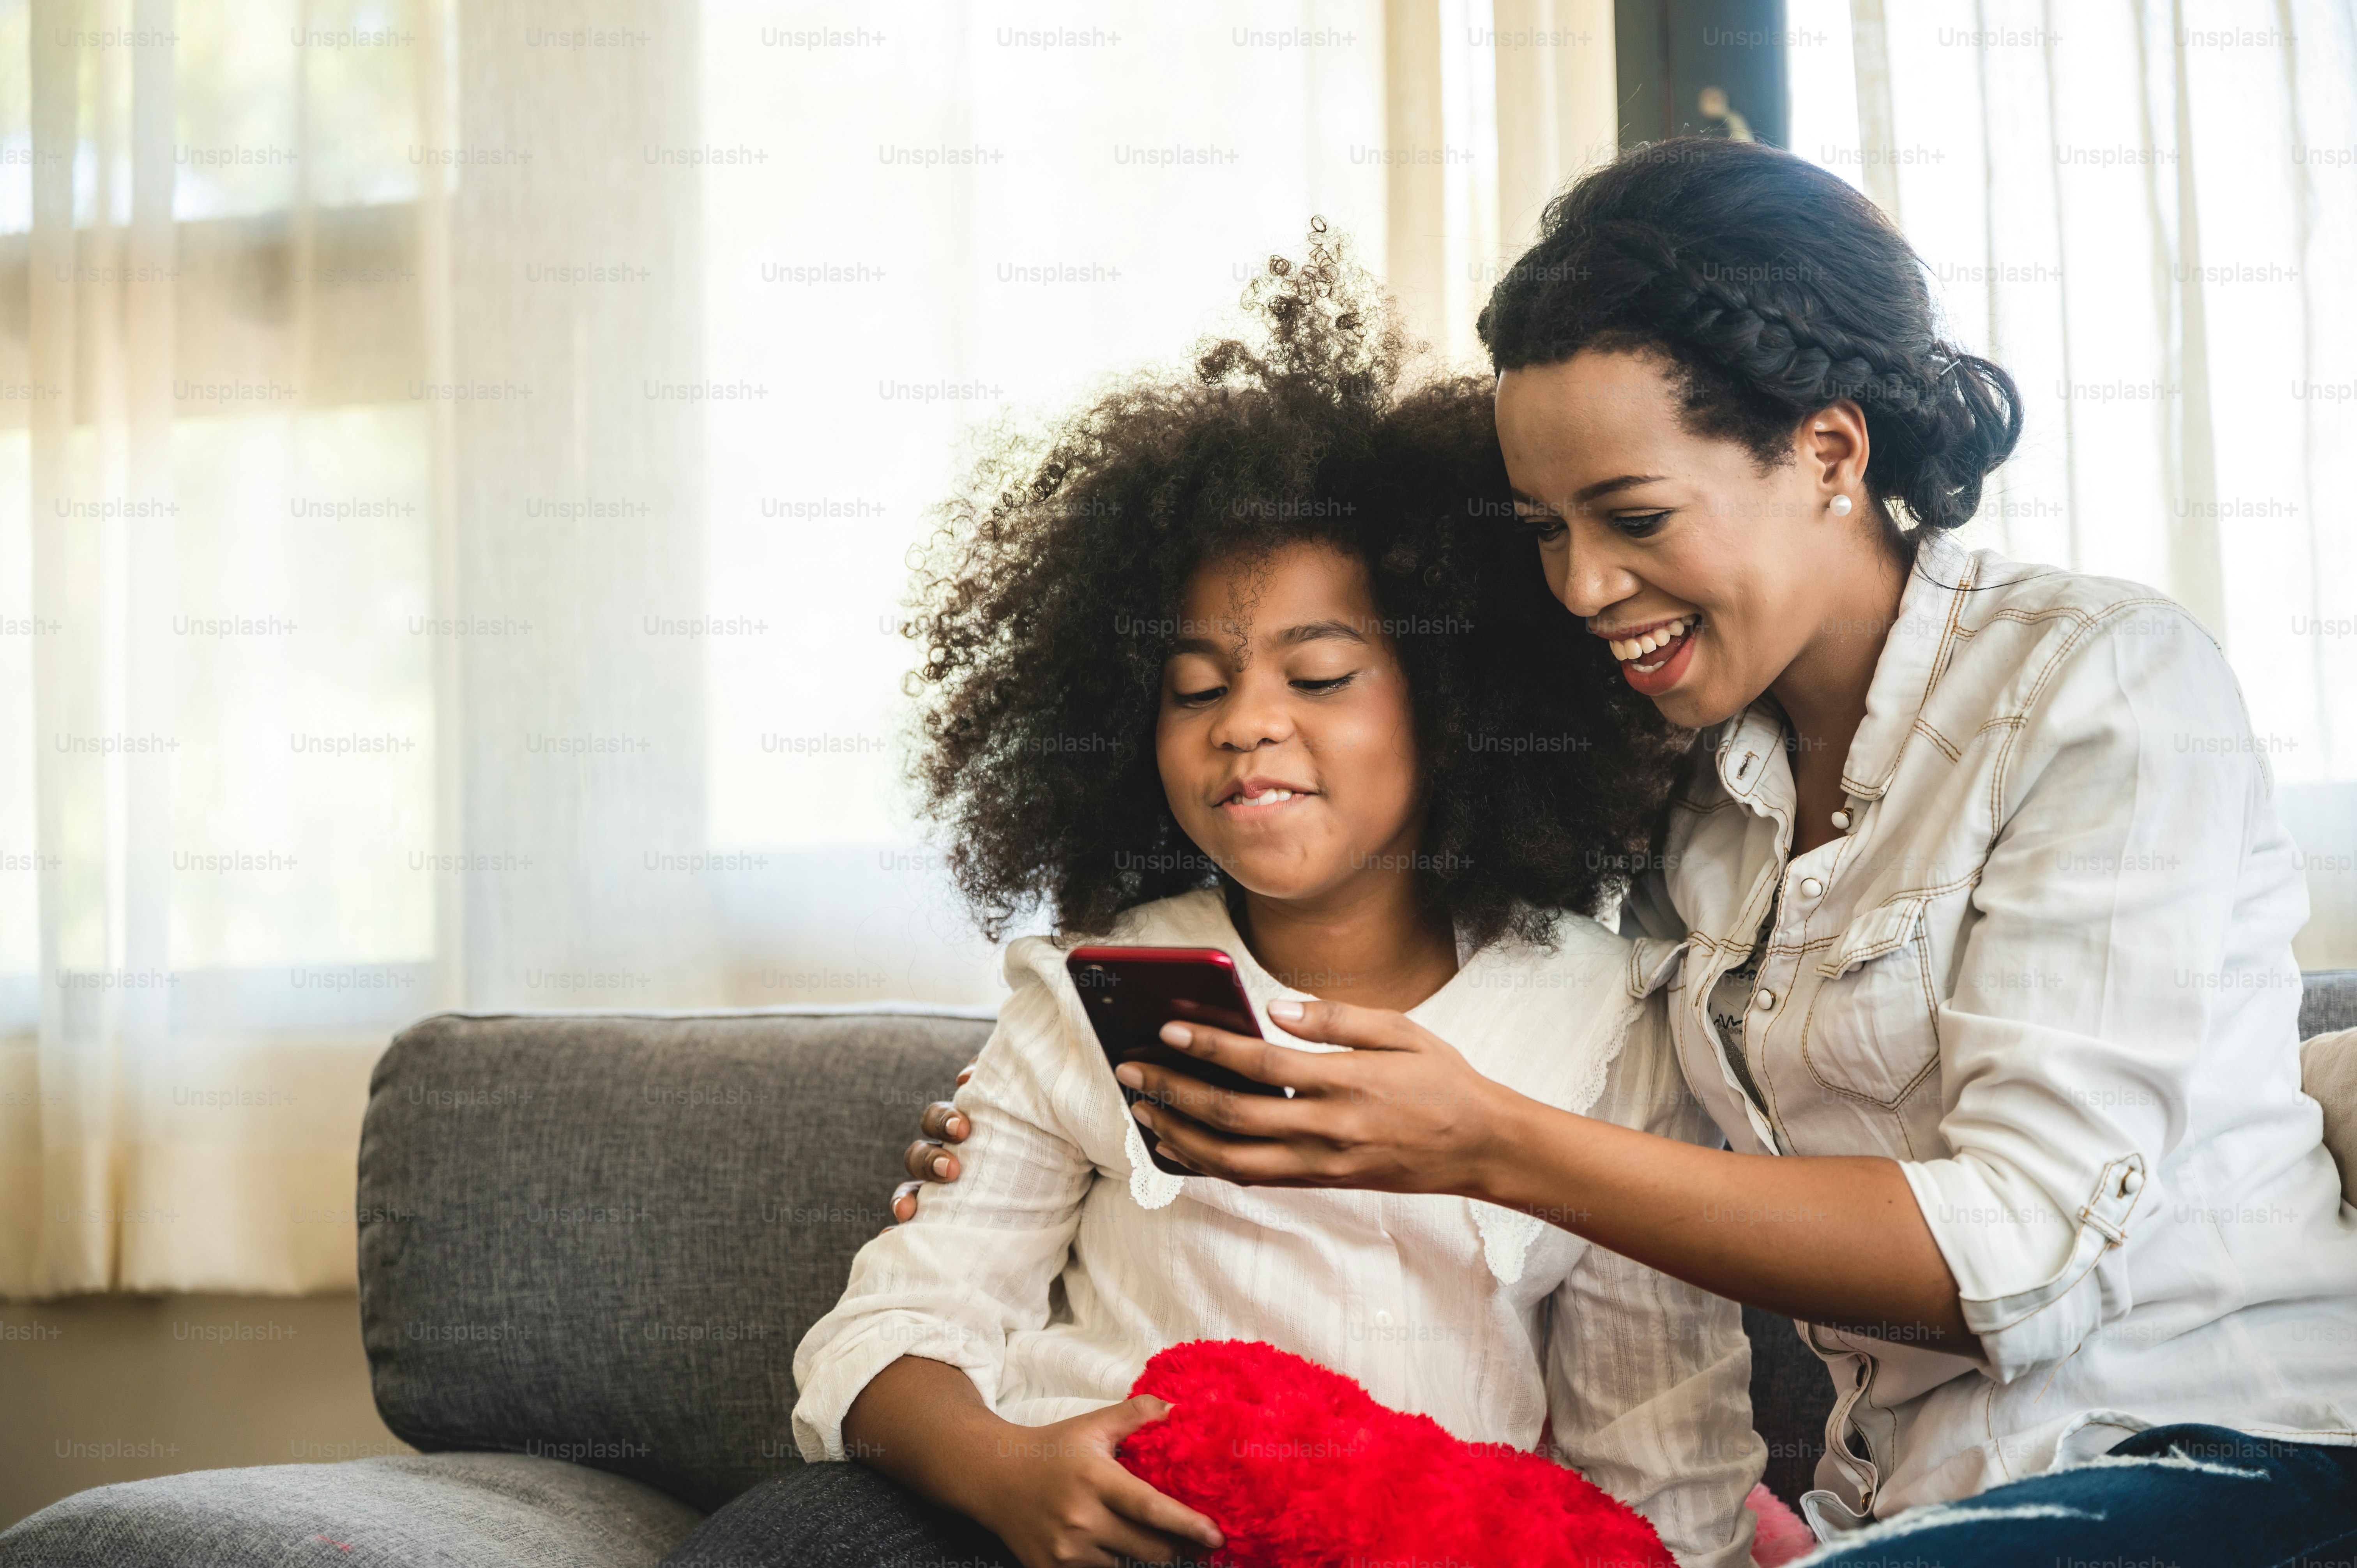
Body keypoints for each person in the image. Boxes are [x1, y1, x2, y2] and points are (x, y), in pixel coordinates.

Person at [900, 139, 2357, 1567]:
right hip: (1897, 1508)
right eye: (1545, 530)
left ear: (1830, 452)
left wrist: (1490, 1144)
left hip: (2210, 1452)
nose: (1585, 585)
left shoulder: (2101, 683)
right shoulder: (1694, 798)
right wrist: (1007, 1131)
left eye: (1635, 516)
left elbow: (2025, 1243)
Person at [661, 238, 1767, 1568]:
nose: (1245, 724)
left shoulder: (1611, 1023)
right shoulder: (1093, 992)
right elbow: (891, 1332)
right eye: (1195, 688)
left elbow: (1659, 1462)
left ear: (1456, 703)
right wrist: (1012, 1476)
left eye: (1320, 677)